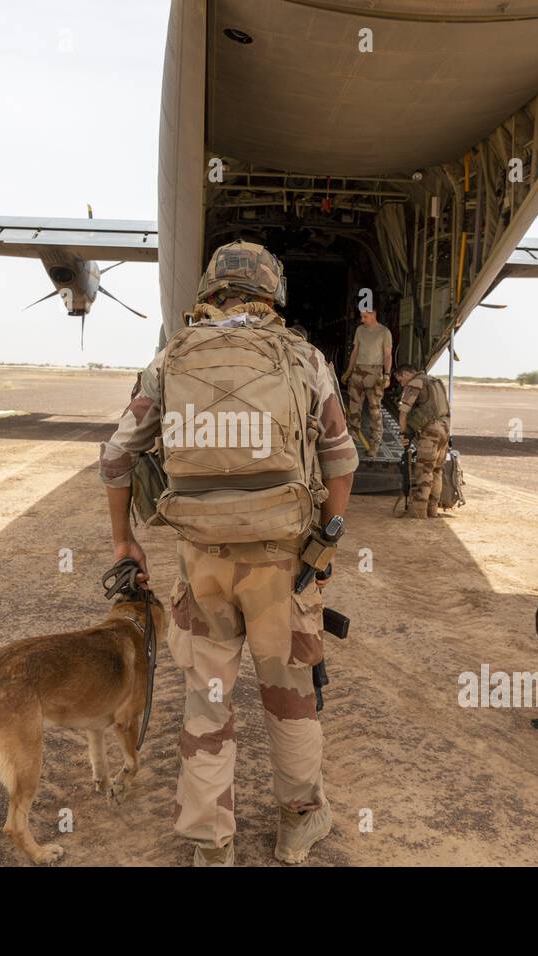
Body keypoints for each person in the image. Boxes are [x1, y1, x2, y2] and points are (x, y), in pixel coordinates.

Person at [99, 240, 357, 866]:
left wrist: (124, 541)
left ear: (210, 290)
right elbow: (341, 459)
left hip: (202, 563)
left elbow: (116, 458)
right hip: (283, 564)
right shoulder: (304, 358)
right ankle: (298, 826)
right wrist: (324, 543)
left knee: (207, 699)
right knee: (290, 698)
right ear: (273, 292)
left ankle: (211, 845)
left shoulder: (171, 359)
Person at [393, 363, 451, 519]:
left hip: (431, 431)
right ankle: (432, 510)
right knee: (436, 470)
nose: (402, 384)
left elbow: (403, 412)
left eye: (400, 380)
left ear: (405, 374)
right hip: (445, 428)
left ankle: (419, 511)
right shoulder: (435, 382)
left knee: (424, 470)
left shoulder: (415, 382)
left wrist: (403, 434)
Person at [341, 307, 392, 449]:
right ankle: (353, 438)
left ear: (374, 314)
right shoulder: (360, 330)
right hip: (357, 372)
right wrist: (348, 372)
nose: (362, 319)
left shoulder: (384, 332)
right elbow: (355, 352)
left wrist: (387, 375)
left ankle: (374, 442)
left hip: (375, 373)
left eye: (365, 316)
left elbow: (388, 355)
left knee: (375, 410)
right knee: (354, 408)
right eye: (361, 316)